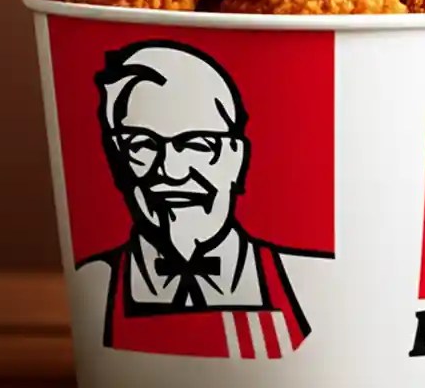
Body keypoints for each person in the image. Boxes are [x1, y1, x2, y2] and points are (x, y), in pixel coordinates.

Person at [75, 40, 327, 359]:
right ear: (117, 160)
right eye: (142, 145)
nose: (172, 171)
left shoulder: (307, 278)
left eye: (198, 144)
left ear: (236, 158)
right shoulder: (94, 283)